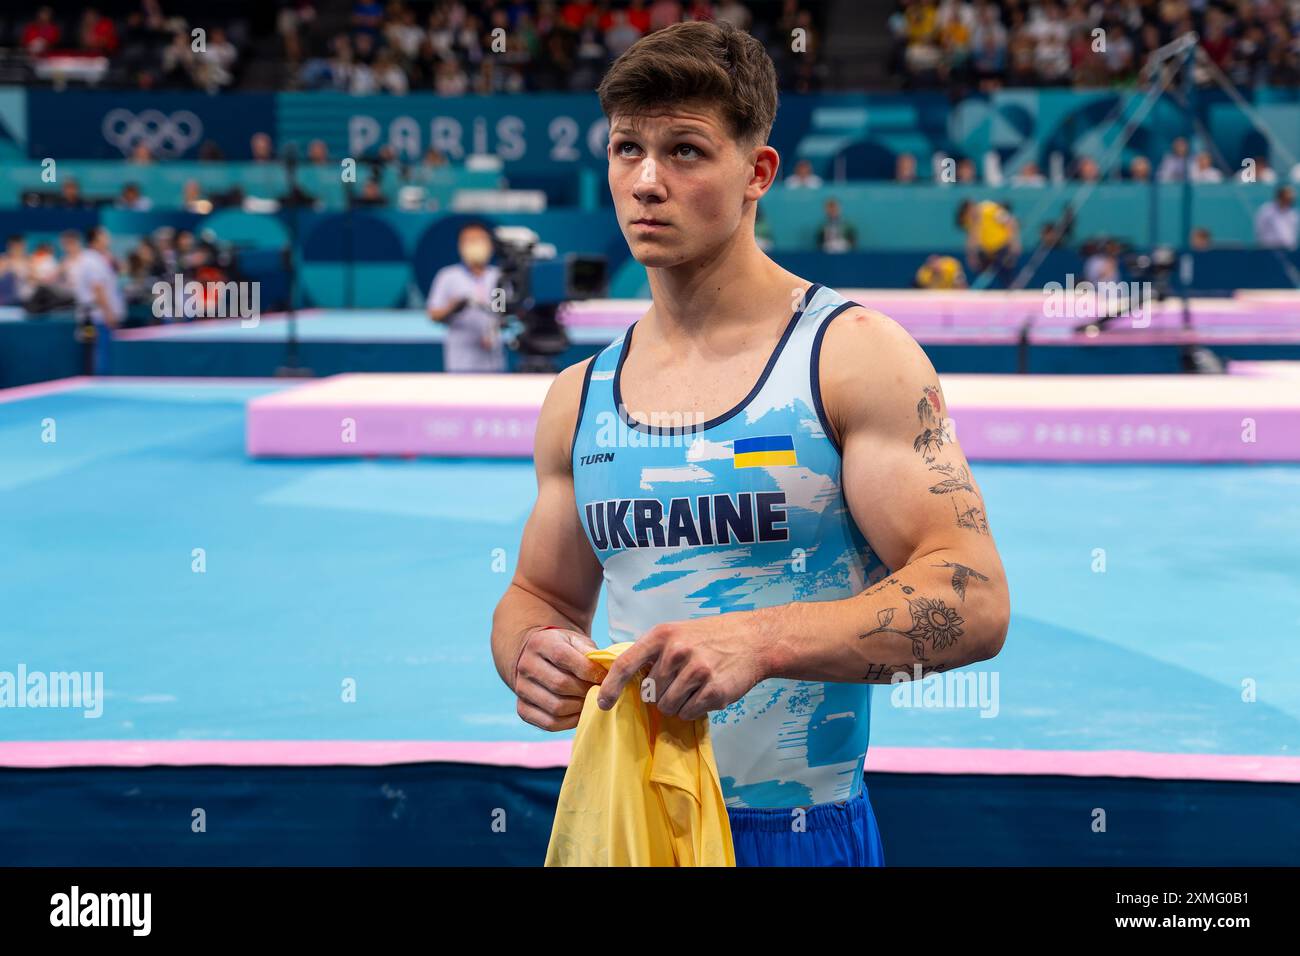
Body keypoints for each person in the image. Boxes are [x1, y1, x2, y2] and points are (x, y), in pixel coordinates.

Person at [489, 19, 1010, 869]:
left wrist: (764, 642)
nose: (646, 182)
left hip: (795, 833)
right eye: (627, 150)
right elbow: (537, 595)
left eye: (685, 152)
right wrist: (529, 653)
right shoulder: (577, 398)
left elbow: (976, 599)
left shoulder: (851, 357)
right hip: (630, 823)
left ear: (757, 173)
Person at [426, 222, 506, 372]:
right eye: (470, 241)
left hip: (492, 360)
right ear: (461, 246)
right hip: (461, 360)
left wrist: (495, 327)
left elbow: (502, 312)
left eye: (480, 240)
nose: (476, 245)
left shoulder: (498, 277)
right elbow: (433, 314)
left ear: (490, 245)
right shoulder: (448, 276)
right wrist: (453, 308)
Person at [63, 227, 124, 374]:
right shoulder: (91, 261)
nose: (108, 239)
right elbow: (97, 289)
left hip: (98, 316)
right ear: (96, 239)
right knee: (101, 353)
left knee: (101, 352)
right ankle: (101, 384)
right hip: (99, 318)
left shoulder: (97, 259)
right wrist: (108, 313)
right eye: (105, 236)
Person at [957, 197, 1020, 285]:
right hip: (986, 251)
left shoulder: (989, 209)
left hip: (1001, 247)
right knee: (979, 273)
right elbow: (972, 237)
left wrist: (1014, 243)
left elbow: (1010, 222)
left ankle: (1011, 292)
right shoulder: (970, 219)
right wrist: (971, 254)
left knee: (1006, 274)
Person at [1254, 186, 1298, 250]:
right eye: (1286, 199)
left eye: (1290, 199)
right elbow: (1260, 230)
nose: (1288, 201)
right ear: (1279, 197)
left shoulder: (1293, 214)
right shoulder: (1266, 211)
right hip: (1269, 249)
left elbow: (1292, 234)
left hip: (1288, 249)